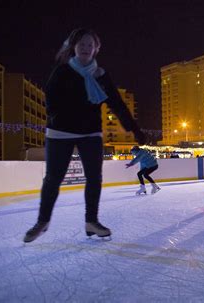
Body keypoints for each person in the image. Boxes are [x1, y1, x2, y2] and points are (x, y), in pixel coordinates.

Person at [23, 28, 146, 243]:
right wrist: (60, 115)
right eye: (82, 44)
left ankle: (91, 221)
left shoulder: (101, 75)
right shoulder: (63, 71)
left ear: (96, 49)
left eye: (90, 45)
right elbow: (50, 98)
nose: (86, 48)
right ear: (74, 47)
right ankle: (42, 221)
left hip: (90, 132)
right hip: (60, 131)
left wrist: (134, 129)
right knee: (53, 178)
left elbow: (117, 104)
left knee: (94, 177)